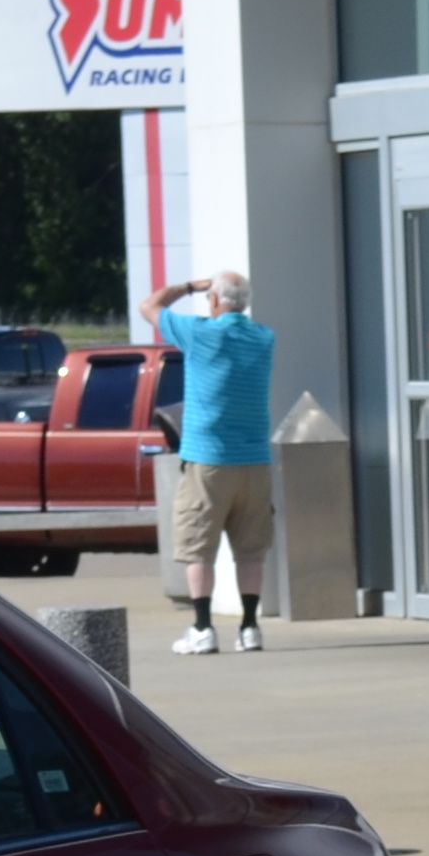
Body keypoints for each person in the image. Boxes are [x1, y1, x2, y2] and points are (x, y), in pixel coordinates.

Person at [144, 270, 279, 654]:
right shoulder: (264, 338)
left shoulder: (200, 333)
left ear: (216, 301)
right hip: (255, 459)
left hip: (208, 459)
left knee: (198, 543)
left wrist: (190, 287)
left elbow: (149, 306)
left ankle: (203, 627)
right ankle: (249, 628)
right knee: (251, 548)